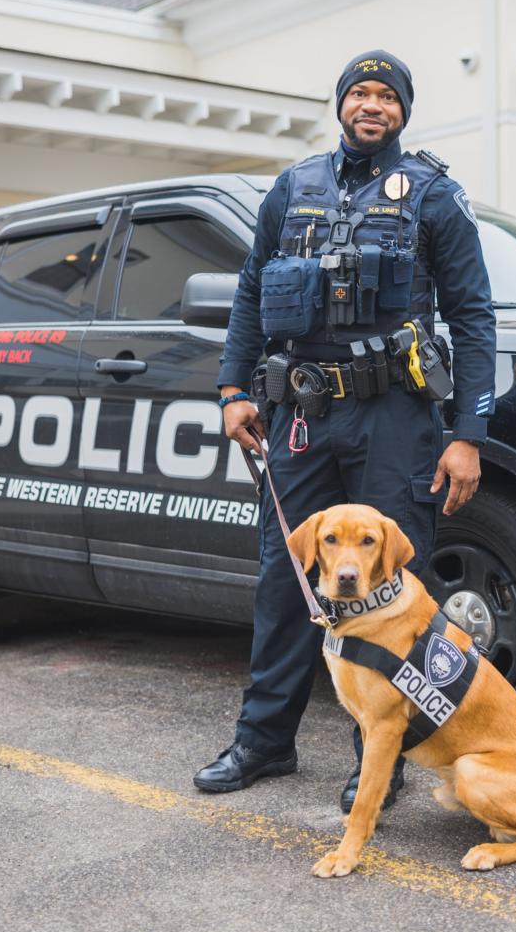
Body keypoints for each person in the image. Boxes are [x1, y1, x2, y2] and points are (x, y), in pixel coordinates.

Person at [193, 49, 497, 812]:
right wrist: (233, 387)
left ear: (401, 111)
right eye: (358, 93)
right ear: (340, 105)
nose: (371, 105)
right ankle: (263, 744)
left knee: (394, 588)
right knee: (285, 579)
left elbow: (472, 316)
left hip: (396, 415)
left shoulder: (434, 195)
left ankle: (381, 758)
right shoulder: (291, 188)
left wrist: (468, 436)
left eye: (385, 96)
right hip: (302, 414)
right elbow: (250, 294)